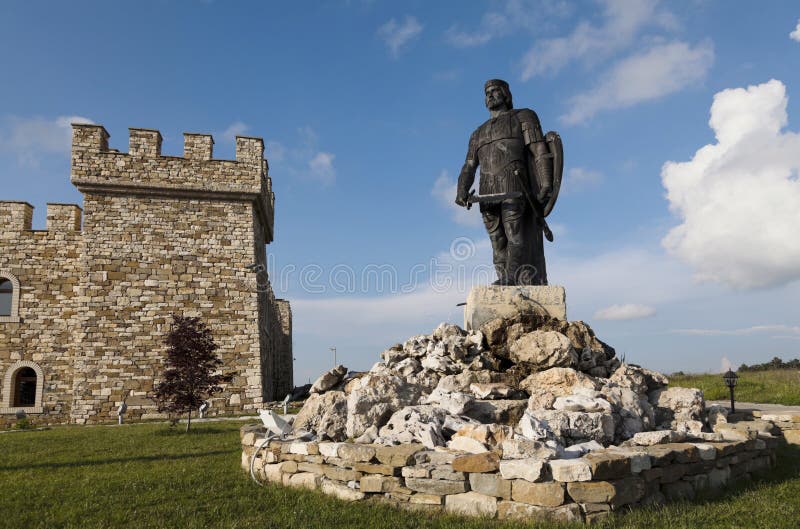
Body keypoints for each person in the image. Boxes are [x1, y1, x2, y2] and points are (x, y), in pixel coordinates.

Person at [455, 79, 555, 286]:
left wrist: (546, 182)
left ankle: (511, 278)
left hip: (513, 186)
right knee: (497, 240)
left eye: (495, 91)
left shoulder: (524, 117)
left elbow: (539, 151)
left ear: (506, 94)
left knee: (514, 233)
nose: (490, 95)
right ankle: (503, 278)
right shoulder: (477, 133)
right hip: (486, 192)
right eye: (487, 93)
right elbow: (469, 165)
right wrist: (461, 189)